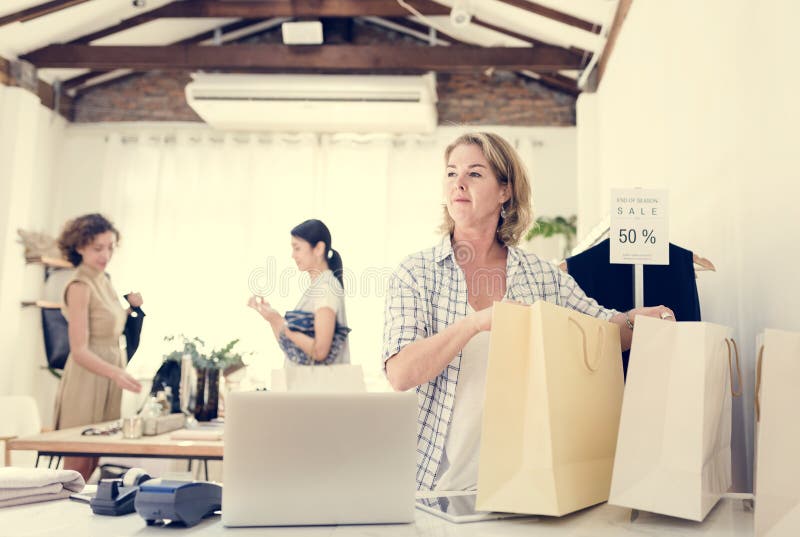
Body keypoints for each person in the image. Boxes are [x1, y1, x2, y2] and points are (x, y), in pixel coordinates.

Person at [382, 132, 675, 492]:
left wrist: (636, 319)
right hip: (434, 488)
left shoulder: (541, 275)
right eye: (450, 173)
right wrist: (476, 323)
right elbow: (400, 373)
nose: (458, 183)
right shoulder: (415, 273)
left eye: (474, 173)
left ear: (505, 190)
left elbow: (602, 332)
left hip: (523, 488)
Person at [55, 213, 143, 481]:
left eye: (110, 247)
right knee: (77, 465)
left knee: (93, 458)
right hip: (87, 377)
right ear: (79, 247)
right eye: (98, 248)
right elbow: (79, 349)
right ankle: (59, 519)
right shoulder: (80, 285)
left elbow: (106, 324)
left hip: (107, 375)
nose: (106, 254)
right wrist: (116, 373)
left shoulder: (104, 279)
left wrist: (131, 309)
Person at [248, 219, 350, 366]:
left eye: (297, 248)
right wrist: (272, 319)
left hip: (319, 387)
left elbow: (320, 351)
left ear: (319, 249)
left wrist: (279, 322)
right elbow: (295, 351)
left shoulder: (326, 289)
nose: (293, 255)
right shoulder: (317, 288)